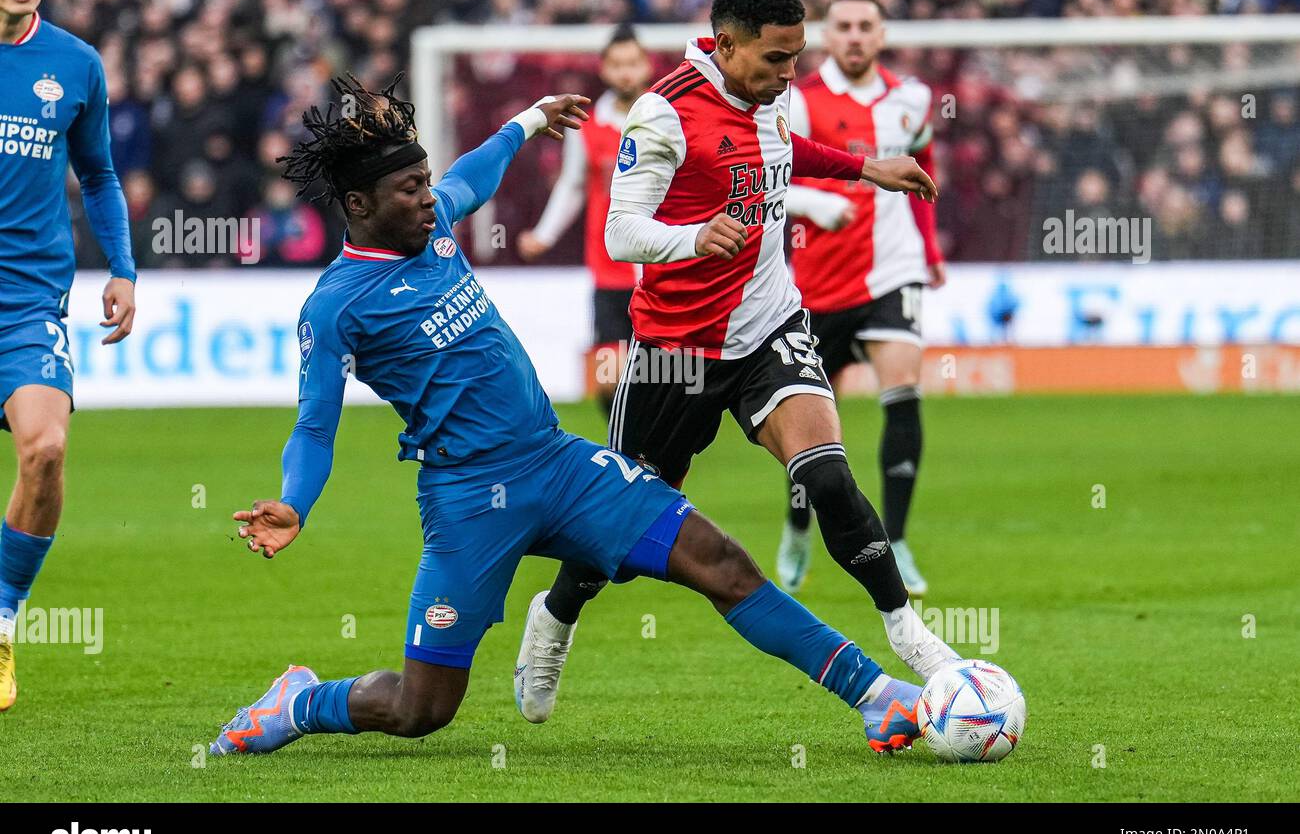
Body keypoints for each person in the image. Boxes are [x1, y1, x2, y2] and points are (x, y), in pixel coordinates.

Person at [211, 75, 928, 757]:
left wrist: (529, 120)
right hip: (467, 502)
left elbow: (474, 172)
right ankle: (301, 703)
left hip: (558, 465)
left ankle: (877, 694)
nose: (430, 199)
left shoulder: (432, 226)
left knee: (722, 564)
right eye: (410, 189)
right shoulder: (336, 306)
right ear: (360, 205)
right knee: (420, 711)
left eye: (426, 183)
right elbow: (314, 425)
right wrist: (295, 502)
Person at [515, 0, 956, 727]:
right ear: (727, 45)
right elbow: (623, 230)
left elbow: (781, 150)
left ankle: (908, 633)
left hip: (770, 327)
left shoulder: (769, 93)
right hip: (674, 350)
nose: (791, 75)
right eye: (777, 60)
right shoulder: (662, 114)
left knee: (826, 474)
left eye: (796, 58)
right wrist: (693, 237)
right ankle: (556, 615)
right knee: (611, 532)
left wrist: (864, 168)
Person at [0, 0, 137, 711]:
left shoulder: (75, 64)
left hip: (24, 302)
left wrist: (122, 267)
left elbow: (100, 174)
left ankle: (1, 622)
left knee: (46, 448)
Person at [779, 0, 945, 596]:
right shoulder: (796, 99)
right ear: (826, 35)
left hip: (893, 272)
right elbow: (770, 179)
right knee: (811, 424)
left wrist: (928, 250)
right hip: (816, 285)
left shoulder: (913, 98)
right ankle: (798, 525)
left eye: (864, 27)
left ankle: (896, 540)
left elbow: (921, 164)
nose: (853, 37)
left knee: (903, 394)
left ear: (881, 34)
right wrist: (815, 202)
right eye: (843, 27)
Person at [518, 24, 652, 415]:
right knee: (608, 379)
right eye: (617, 64)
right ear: (605, 70)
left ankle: (657, 456)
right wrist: (544, 234)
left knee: (669, 376)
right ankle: (624, 452)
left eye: (633, 63)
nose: (626, 72)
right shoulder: (588, 127)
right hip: (610, 269)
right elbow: (573, 185)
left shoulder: (668, 119)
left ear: (645, 65)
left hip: (663, 267)